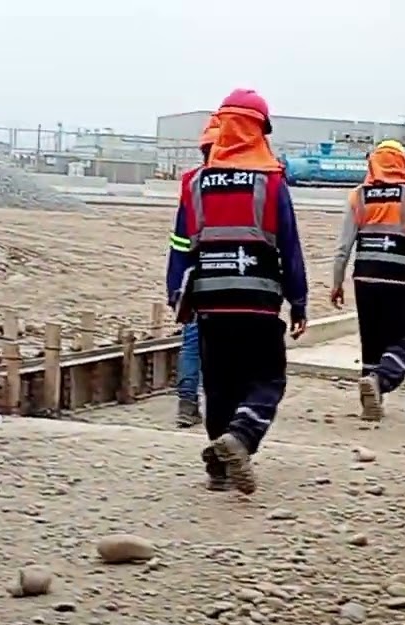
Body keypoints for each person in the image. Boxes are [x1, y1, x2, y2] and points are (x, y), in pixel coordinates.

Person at [165, 89, 308, 493]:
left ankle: (218, 471)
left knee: (220, 385)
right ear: (260, 131)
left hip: (210, 302)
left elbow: (180, 245)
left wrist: (176, 294)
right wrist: (298, 301)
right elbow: (289, 247)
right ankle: (241, 436)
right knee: (268, 379)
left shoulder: (194, 183)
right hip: (258, 300)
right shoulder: (272, 182)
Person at [330, 139, 405, 421]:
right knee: (403, 338)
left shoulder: (358, 196)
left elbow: (343, 248)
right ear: (402, 162)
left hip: (364, 279)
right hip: (396, 280)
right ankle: (380, 380)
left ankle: (371, 399)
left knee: (371, 340)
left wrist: (337, 283)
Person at [170, 114, 221, 428]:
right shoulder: (250, 182)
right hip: (234, 277)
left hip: (196, 277)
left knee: (192, 342)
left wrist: (174, 286)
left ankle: (187, 404)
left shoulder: (192, 183)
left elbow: (179, 241)